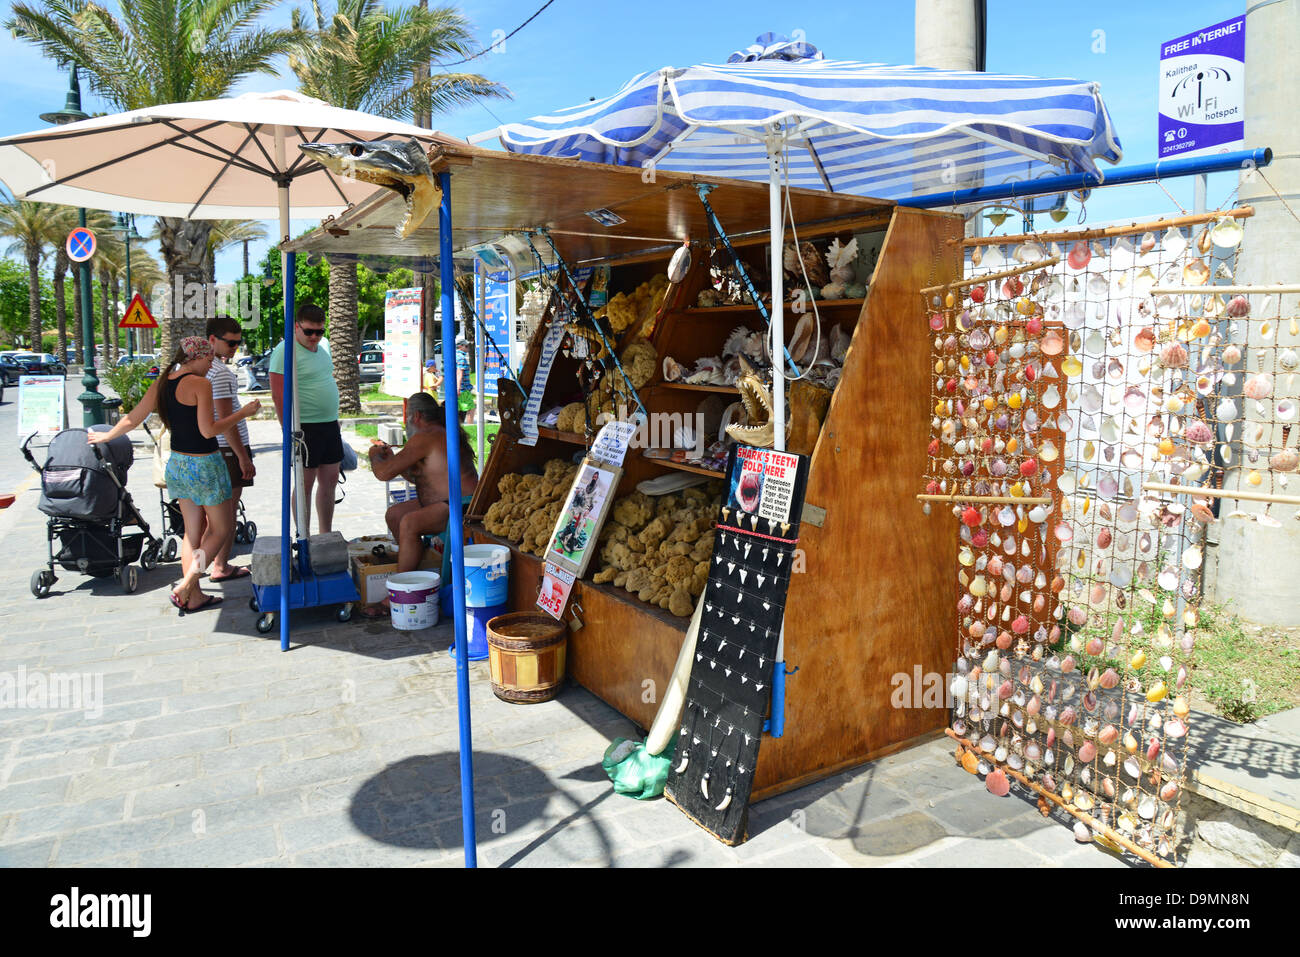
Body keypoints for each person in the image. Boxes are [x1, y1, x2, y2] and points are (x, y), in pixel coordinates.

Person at [89, 337, 260, 613]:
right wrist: (244, 413)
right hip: (205, 465)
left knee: (192, 534)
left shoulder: (163, 381)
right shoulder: (199, 384)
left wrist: (107, 435)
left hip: (178, 465)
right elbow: (208, 431)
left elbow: (134, 417)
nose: (210, 367)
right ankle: (187, 584)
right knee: (222, 529)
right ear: (198, 358)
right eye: (209, 361)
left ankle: (194, 597)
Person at [365, 392, 479, 618]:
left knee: (409, 523)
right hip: (448, 502)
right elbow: (419, 478)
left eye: (407, 418)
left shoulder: (427, 436)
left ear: (416, 416)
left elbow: (384, 473)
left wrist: (375, 455)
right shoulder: (435, 434)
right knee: (395, 514)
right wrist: (392, 458)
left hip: (462, 506)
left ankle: (399, 594)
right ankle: (415, 568)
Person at [269, 304, 342, 535]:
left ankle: (325, 534)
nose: (314, 337)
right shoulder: (285, 351)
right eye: (309, 331)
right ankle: (304, 537)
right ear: (296, 327)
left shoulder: (322, 347)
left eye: (319, 332)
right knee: (304, 485)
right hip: (304, 427)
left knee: (330, 481)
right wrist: (287, 430)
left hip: (329, 424)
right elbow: (278, 394)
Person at [202, 316, 255, 581]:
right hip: (227, 450)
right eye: (230, 343)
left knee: (205, 521)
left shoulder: (198, 370)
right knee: (224, 517)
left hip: (209, 448)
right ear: (212, 340)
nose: (234, 348)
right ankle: (218, 566)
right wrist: (243, 457)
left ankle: (197, 568)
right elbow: (226, 422)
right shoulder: (220, 373)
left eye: (238, 343)